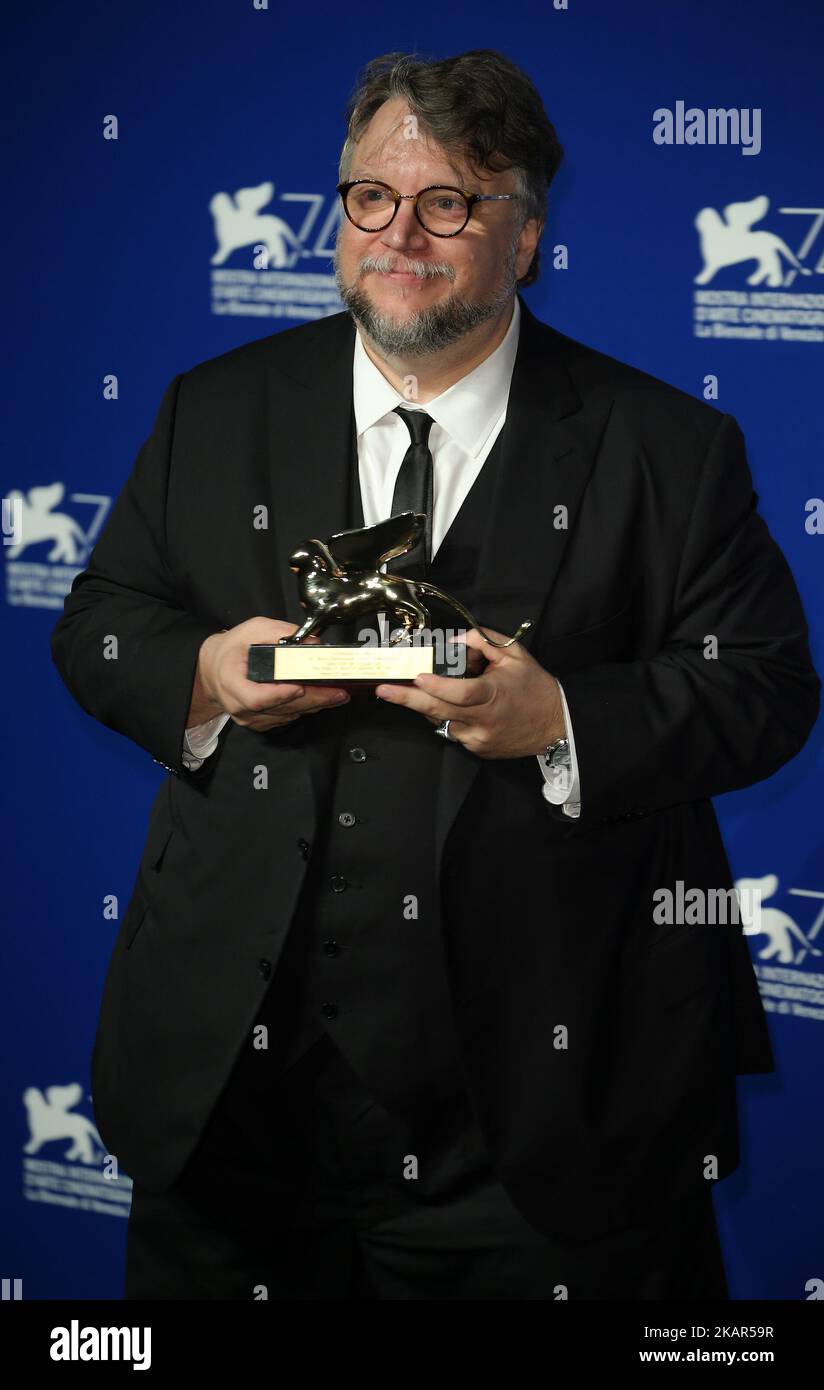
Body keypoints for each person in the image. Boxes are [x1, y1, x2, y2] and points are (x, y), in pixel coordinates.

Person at [50, 48, 819, 1301]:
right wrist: (201, 672)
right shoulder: (211, 408)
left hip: (543, 1132)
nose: (398, 234)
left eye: (448, 202)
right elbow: (96, 623)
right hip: (234, 1115)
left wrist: (562, 717)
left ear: (522, 235)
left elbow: (765, 686)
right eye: (369, 197)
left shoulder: (668, 448)